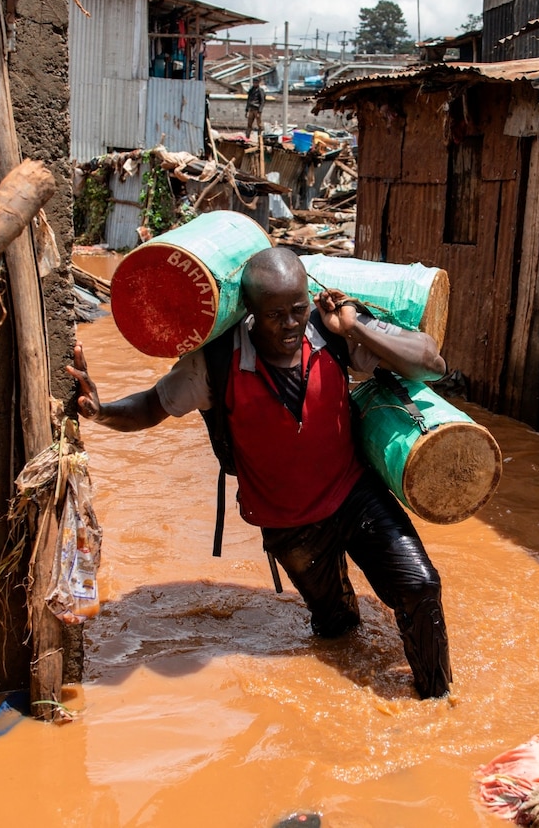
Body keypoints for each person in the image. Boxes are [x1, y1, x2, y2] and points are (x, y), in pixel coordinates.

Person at [68, 247, 454, 699]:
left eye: (297, 310)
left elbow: (431, 363)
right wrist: (101, 412)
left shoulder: (332, 335)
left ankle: (437, 703)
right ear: (249, 312)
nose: (290, 324)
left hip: (353, 495)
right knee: (336, 628)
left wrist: (355, 326)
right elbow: (152, 406)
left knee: (420, 588)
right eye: (275, 315)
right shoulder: (214, 364)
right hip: (289, 526)